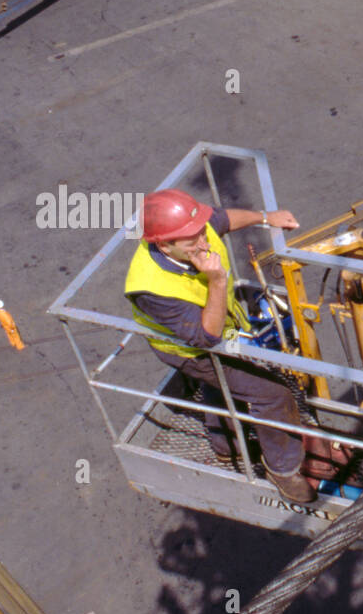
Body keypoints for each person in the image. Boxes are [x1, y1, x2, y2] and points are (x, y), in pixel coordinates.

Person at [124, 189, 343, 503]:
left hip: (218, 330)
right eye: (192, 242)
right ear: (164, 244)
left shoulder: (193, 229)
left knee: (220, 386)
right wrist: (216, 280)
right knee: (273, 394)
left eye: (202, 233)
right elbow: (205, 338)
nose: (204, 242)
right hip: (191, 351)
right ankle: (283, 470)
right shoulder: (151, 287)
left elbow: (222, 219)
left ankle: (227, 447)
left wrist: (267, 218)